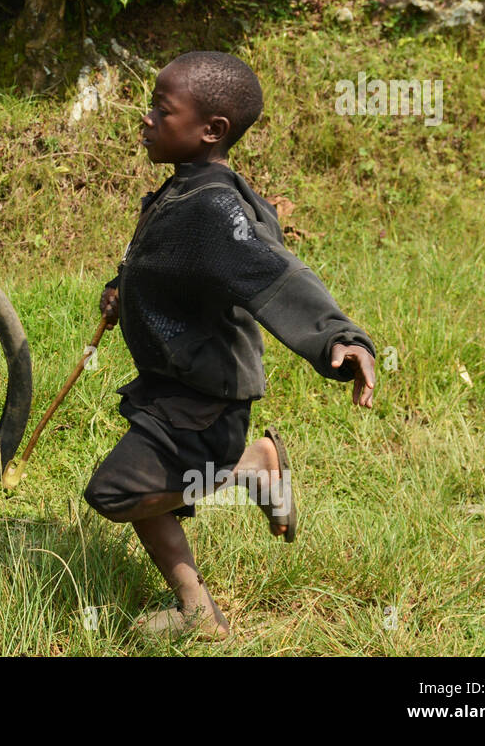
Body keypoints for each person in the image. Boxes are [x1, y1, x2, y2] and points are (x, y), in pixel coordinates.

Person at [83, 50, 377, 641]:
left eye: (161, 111)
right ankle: (197, 613)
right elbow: (166, 265)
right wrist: (123, 291)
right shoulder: (184, 191)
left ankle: (251, 468)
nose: (145, 120)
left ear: (209, 130)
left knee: (117, 491)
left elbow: (277, 274)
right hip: (177, 384)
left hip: (207, 397)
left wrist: (338, 338)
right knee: (144, 486)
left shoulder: (216, 210)